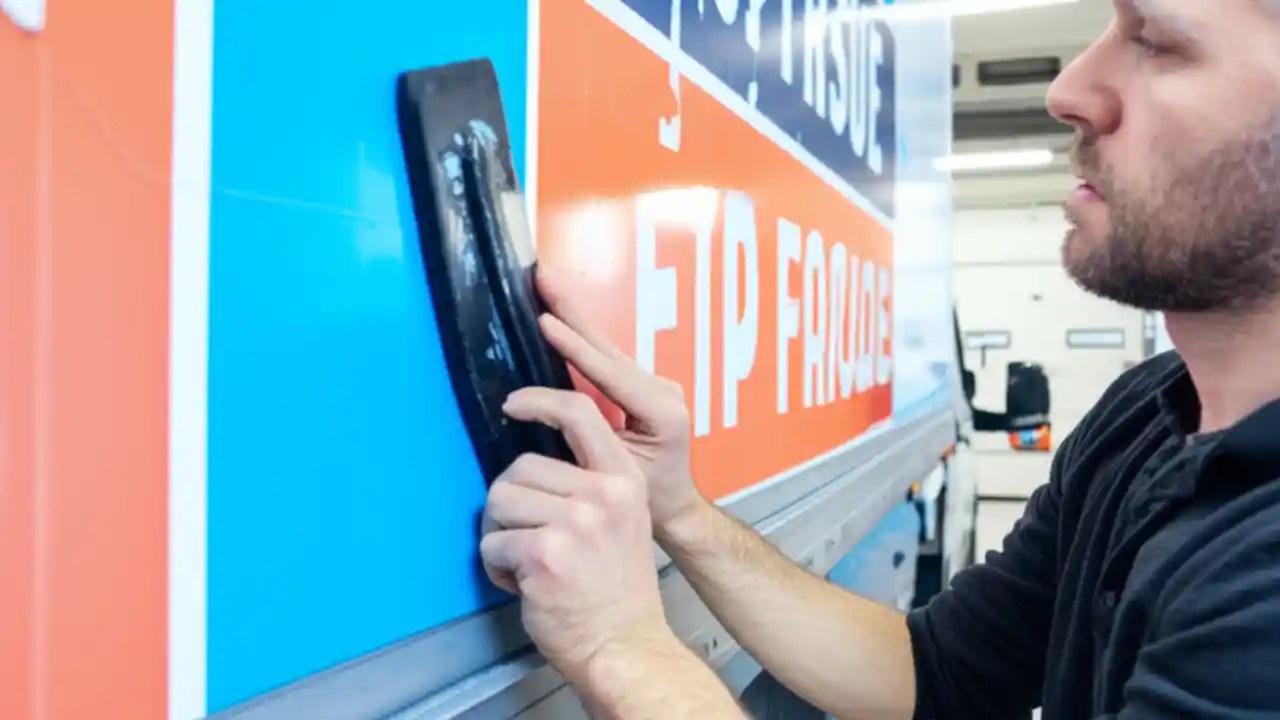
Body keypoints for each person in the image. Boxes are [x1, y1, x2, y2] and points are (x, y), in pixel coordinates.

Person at [477, 0, 1280, 717]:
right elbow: (933, 675)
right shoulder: (1150, 413)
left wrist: (622, 649)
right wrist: (679, 510)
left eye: (1159, 42)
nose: (1070, 88)